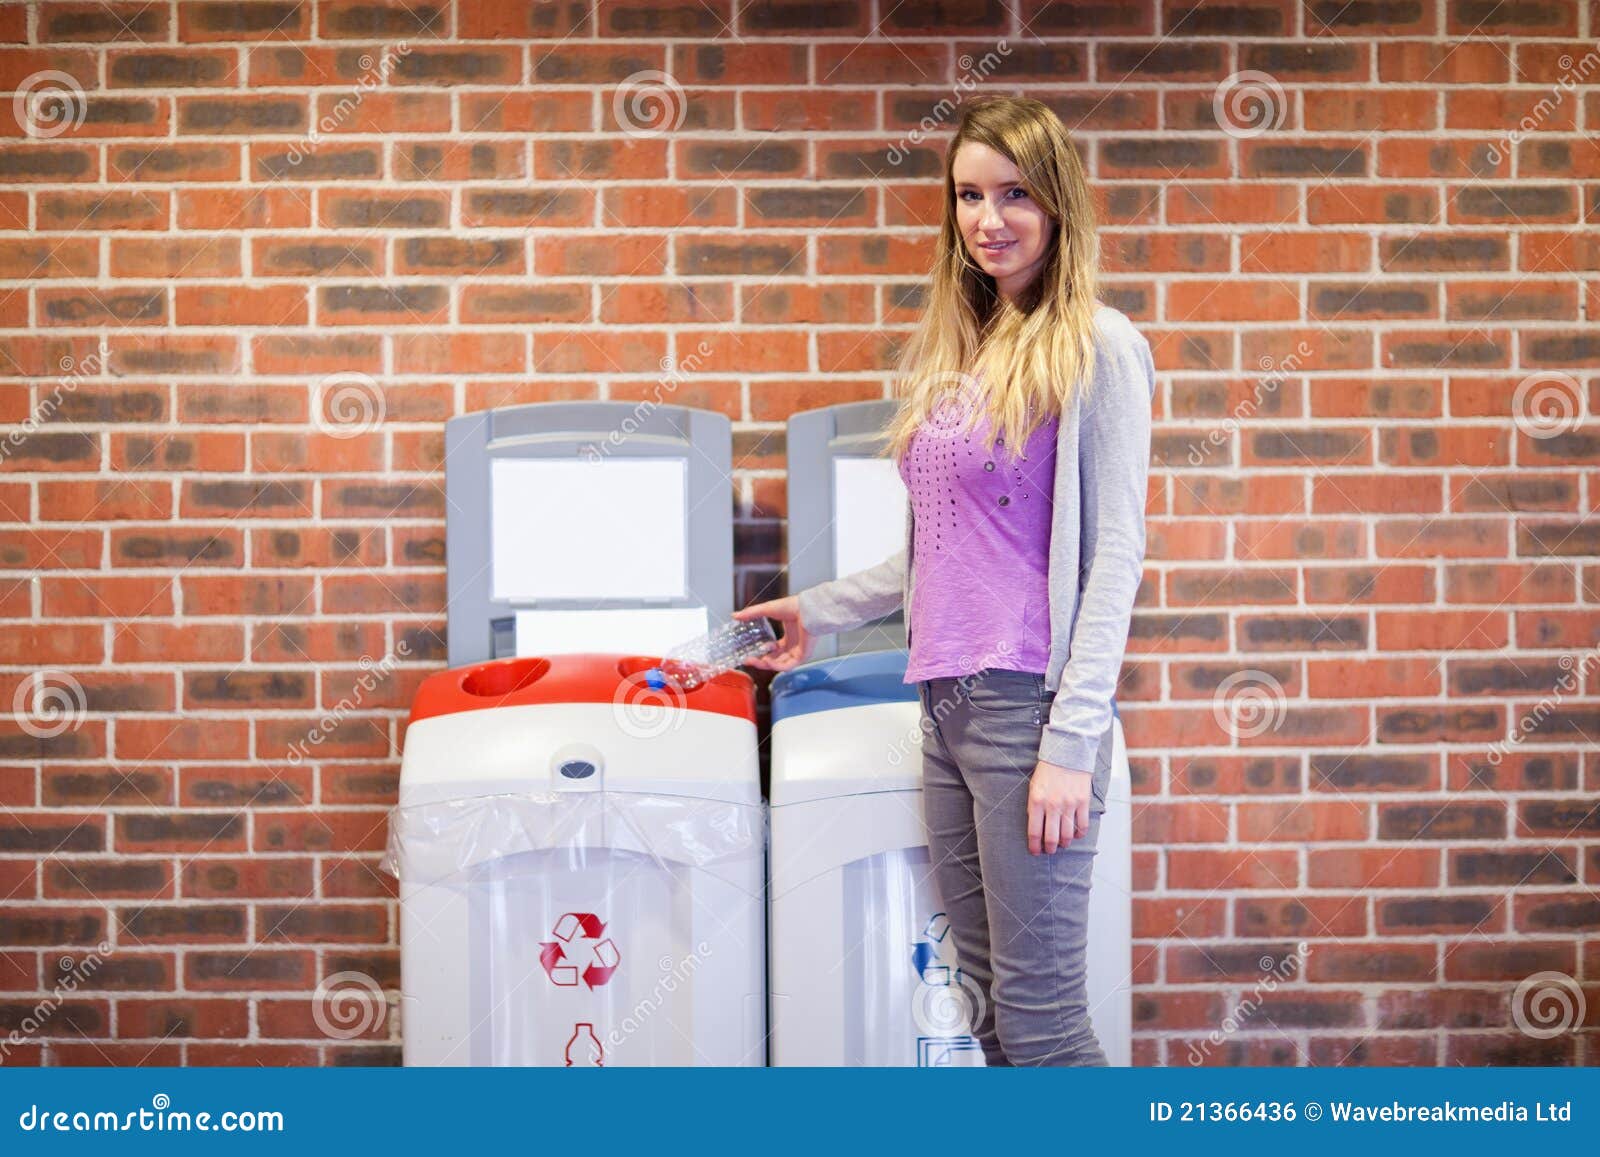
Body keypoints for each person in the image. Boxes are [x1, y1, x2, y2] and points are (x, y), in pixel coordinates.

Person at [736, 96, 1155, 1067]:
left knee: (1047, 1024)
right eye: (968, 194)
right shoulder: (968, 351)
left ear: (1056, 204)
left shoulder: (1096, 345)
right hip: (945, 711)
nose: (988, 218)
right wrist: (814, 609)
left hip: (1027, 712)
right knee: (992, 1019)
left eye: (1013, 193)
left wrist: (1071, 742)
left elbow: (1115, 556)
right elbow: (931, 559)